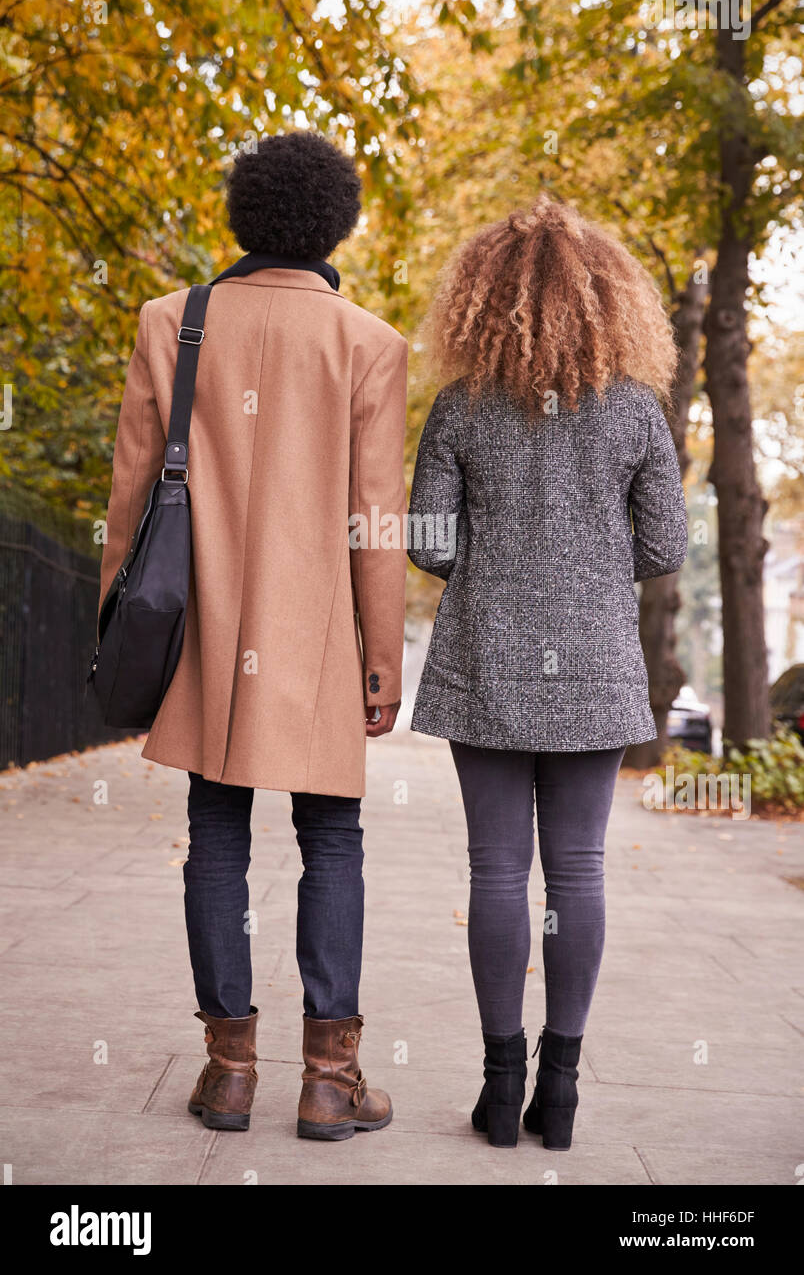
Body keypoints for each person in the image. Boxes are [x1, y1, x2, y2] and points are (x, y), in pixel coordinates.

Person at [100, 131, 407, 1139]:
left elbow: (132, 492)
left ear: (241, 213)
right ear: (337, 221)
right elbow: (373, 520)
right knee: (334, 840)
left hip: (208, 626)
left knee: (216, 839)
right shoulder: (368, 343)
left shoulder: (172, 323)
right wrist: (380, 655)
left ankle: (229, 1070)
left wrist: (123, 621)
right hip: (319, 636)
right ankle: (331, 1079)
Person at [408, 195, 687, 1150]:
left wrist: (501, 560)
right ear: (610, 303)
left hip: (485, 657)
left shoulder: (460, 409)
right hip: (599, 665)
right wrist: (589, 561)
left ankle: (497, 1089)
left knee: (496, 870)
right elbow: (665, 546)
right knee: (578, 871)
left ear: (482, 301)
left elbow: (430, 546)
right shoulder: (637, 412)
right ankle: (559, 1092)